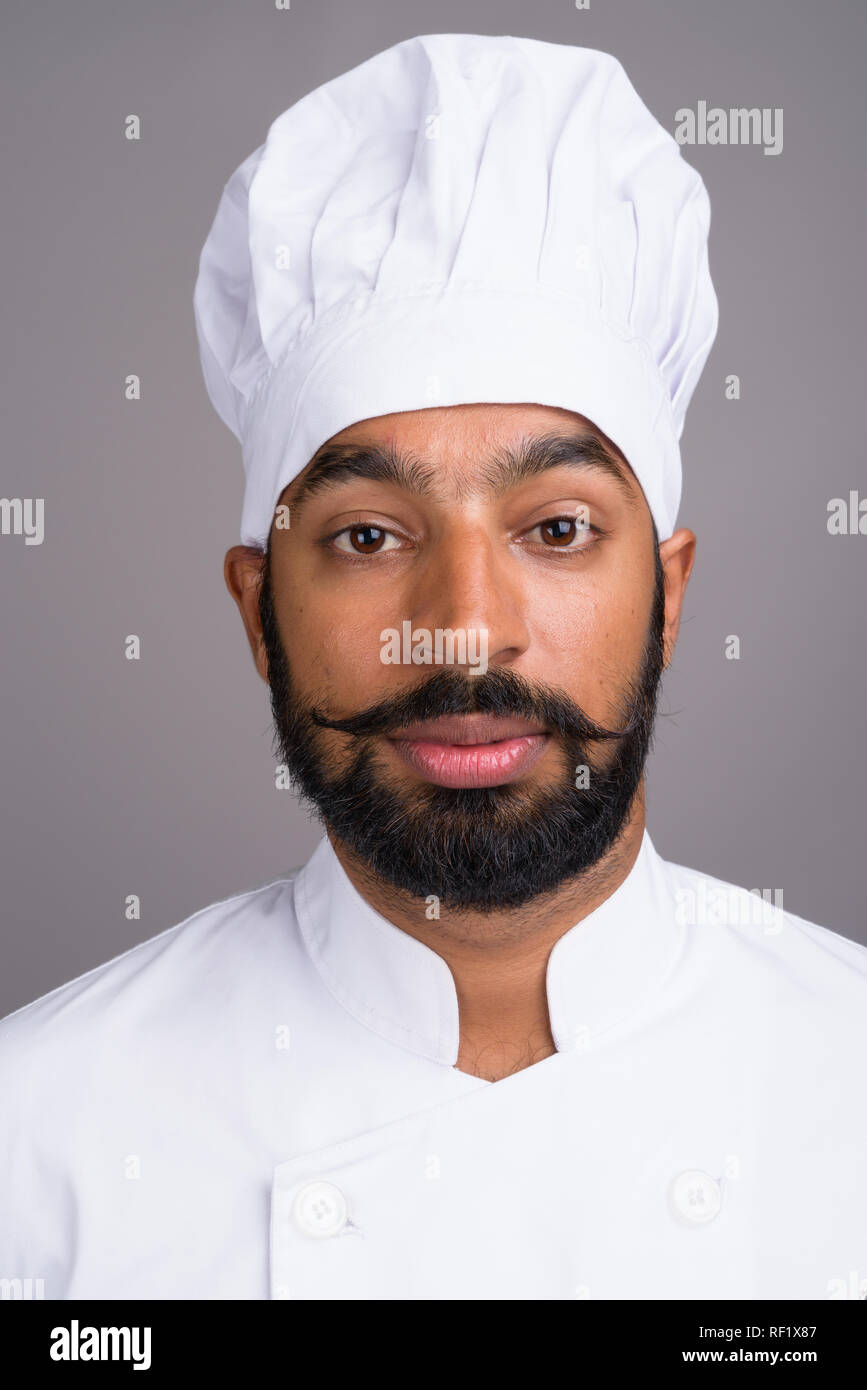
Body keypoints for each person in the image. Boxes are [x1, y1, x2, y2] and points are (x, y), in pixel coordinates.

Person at [1, 32, 865, 1302]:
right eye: (368, 536)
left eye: (556, 530)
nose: (463, 629)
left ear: (669, 594)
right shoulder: (40, 1146)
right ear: (259, 612)